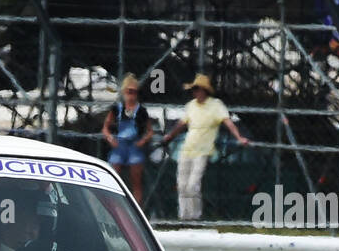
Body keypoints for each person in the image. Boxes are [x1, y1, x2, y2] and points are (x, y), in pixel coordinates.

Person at [157, 74, 248, 221]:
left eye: (197, 89)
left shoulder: (216, 105)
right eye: (194, 89)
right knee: (182, 184)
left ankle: (195, 216)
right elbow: (181, 124)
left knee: (193, 184)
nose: (195, 92)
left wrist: (239, 137)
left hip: (203, 150)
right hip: (187, 148)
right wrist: (170, 136)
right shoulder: (191, 105)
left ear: (205, 90)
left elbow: (228, 122)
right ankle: (183, 216)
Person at [101, 74, 154, 208]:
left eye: (134, 92)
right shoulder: (117, 109)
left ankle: (137, 210)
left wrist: (142, 141)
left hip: (134, 146)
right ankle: (112, 207)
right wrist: (110, 138)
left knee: (136, 181)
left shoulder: (141, 111)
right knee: (112, 176)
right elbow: (105, 128)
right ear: (124, 92)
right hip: (119, 145)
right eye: (129, 91)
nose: (131, 95)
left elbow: (150, 131)